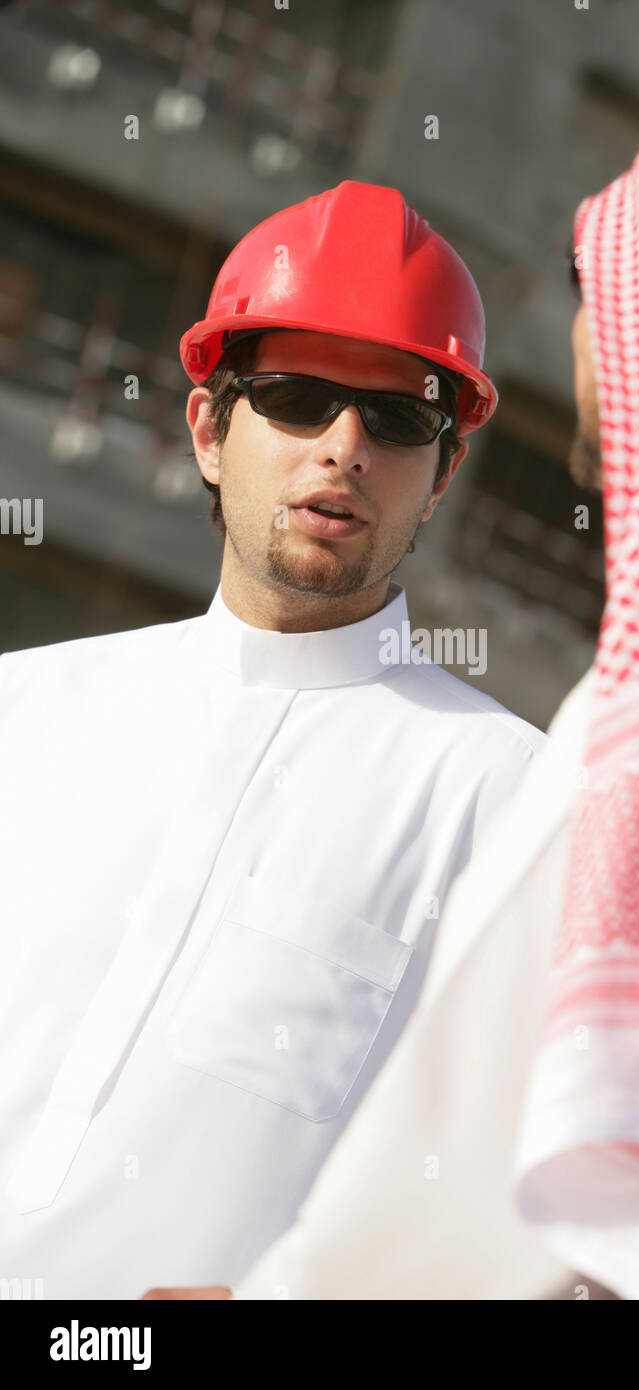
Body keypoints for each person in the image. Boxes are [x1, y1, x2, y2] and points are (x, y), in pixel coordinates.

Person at [168, 73, 639, 1302]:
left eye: (613, 277)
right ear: (206, 428)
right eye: (293, 398)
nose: (591, 333)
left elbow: (534, 1184)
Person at [0, 180, 547, 1300]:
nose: (343, 448)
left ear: (441, 475)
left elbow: (550, 1203)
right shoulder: (23, 711)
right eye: (297, 398)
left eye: (396, 419)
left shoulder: (516, 804)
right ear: (208, 429)